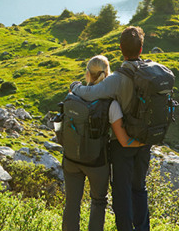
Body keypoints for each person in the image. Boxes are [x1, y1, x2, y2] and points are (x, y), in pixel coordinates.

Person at [70, 26, 151, 231]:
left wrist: (75, 87)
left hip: (122, 145)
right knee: (139, 189)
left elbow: (90, 94)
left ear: (121, 48)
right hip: (144, 140)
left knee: (121, 194)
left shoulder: (117, 78)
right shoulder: (152, 72)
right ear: (141, 49)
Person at [62, 55, 114, 231]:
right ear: (107, 74)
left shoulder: (73, 94)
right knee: (98, 202)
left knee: (71, 204)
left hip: (71, 158)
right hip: (97, 161)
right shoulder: (109, 101)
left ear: (87, 74)